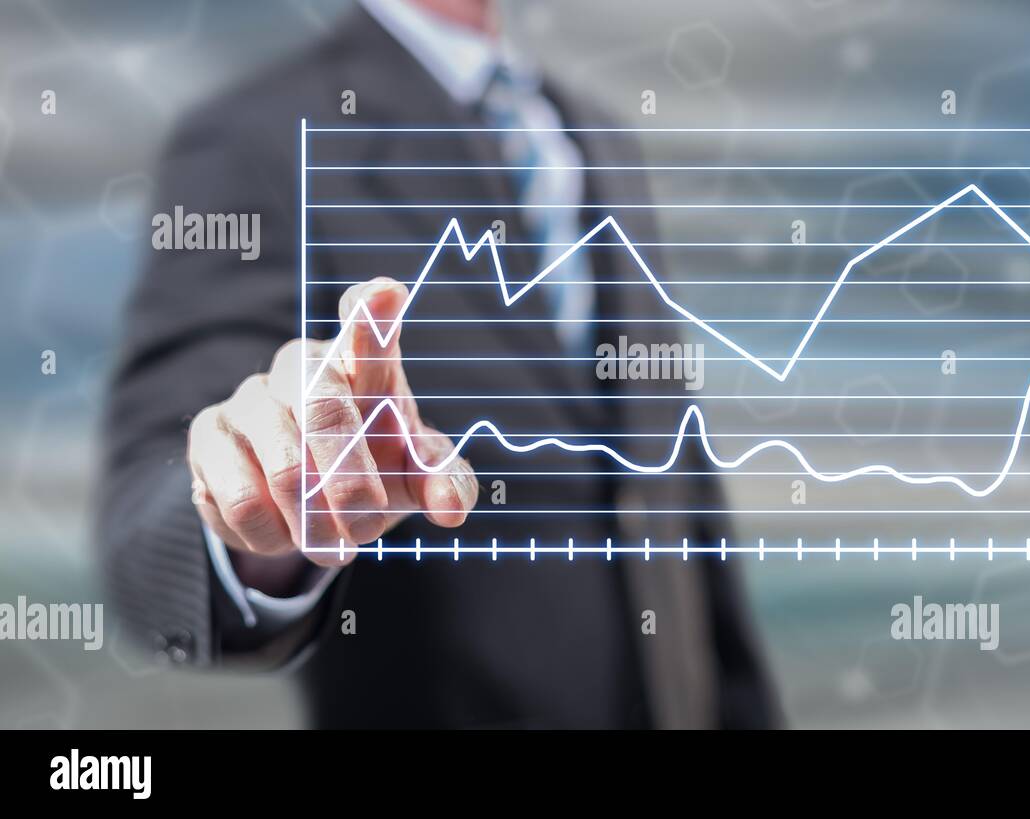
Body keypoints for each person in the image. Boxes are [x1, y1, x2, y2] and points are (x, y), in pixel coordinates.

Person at [99, 0, 778, 728]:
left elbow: (677, 485)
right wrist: (258, 496)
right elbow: (154, 499)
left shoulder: (601, 138)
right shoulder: (255, 137)